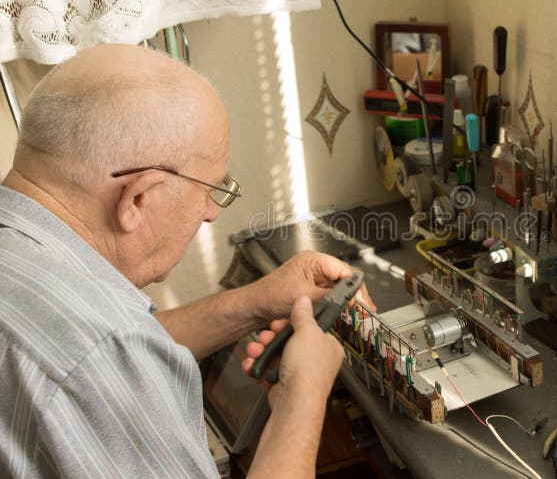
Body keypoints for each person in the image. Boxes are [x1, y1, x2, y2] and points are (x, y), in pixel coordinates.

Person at [0, 43, 372, 478]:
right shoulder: (97, 357)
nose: (212, 211)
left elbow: (110, 347)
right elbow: (100, 355)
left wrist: (256, 301)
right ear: (137, 197)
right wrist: (301, 399)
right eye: (209, 188)